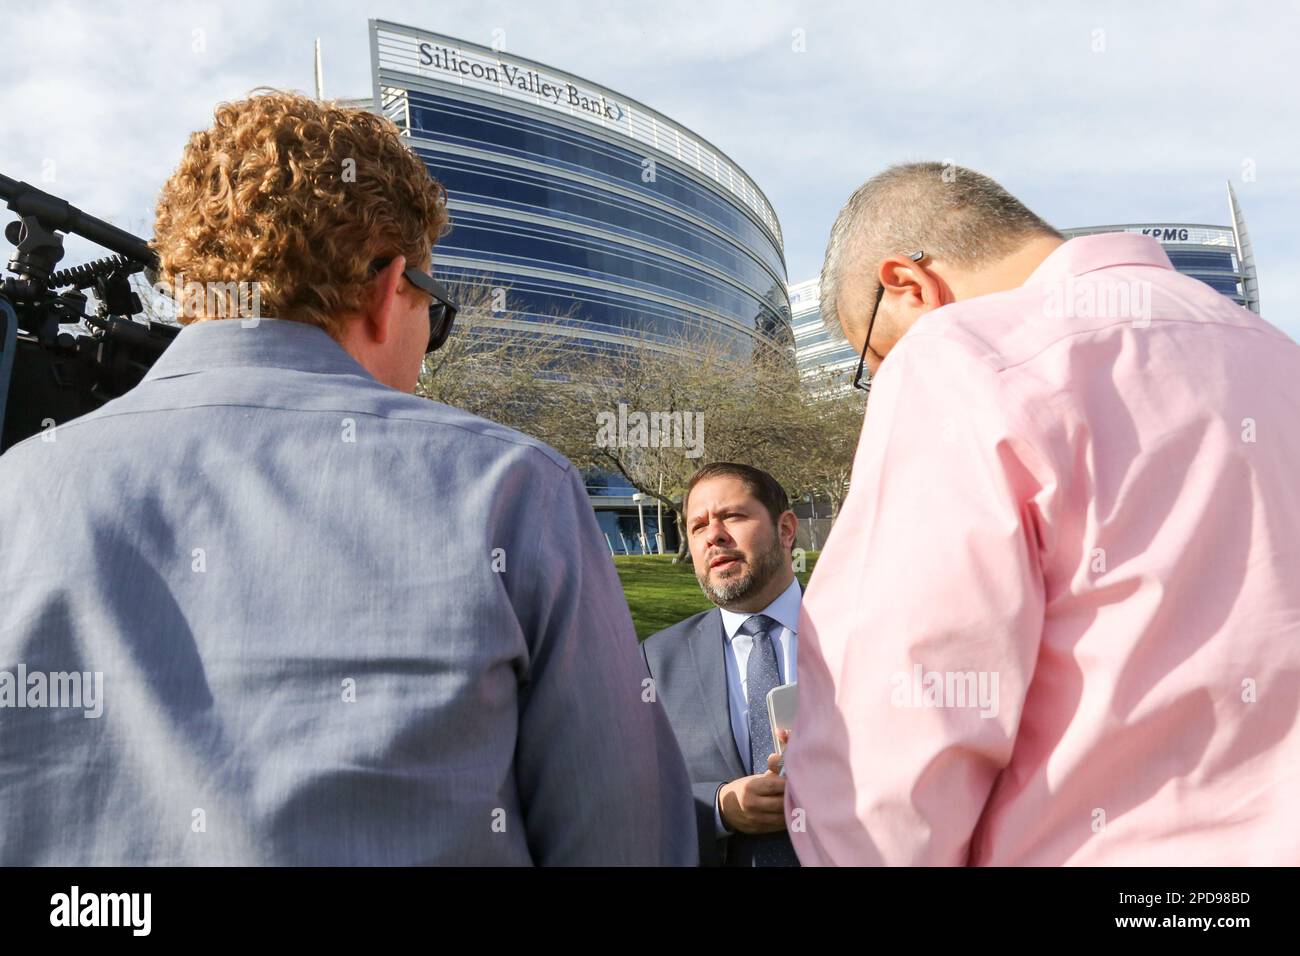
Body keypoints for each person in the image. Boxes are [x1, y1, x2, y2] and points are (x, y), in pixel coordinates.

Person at [0, 90, 696, 866]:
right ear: (386, 284)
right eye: (433, 313)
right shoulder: (514, 489)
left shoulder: (17, 491)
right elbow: (632, 844)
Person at [787, 161, 1300, 866]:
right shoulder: (1276, 352)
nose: (880, 382)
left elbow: (893, 750)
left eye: (872, 358)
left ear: (908, 285)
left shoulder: (957, 356)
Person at [642, 463, 801, 866]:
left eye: (733, 516)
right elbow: (624, 792)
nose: (713, 535)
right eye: (698, 526)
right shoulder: (653, 661)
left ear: (785, 530)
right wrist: (720, 805)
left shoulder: (861, 632)